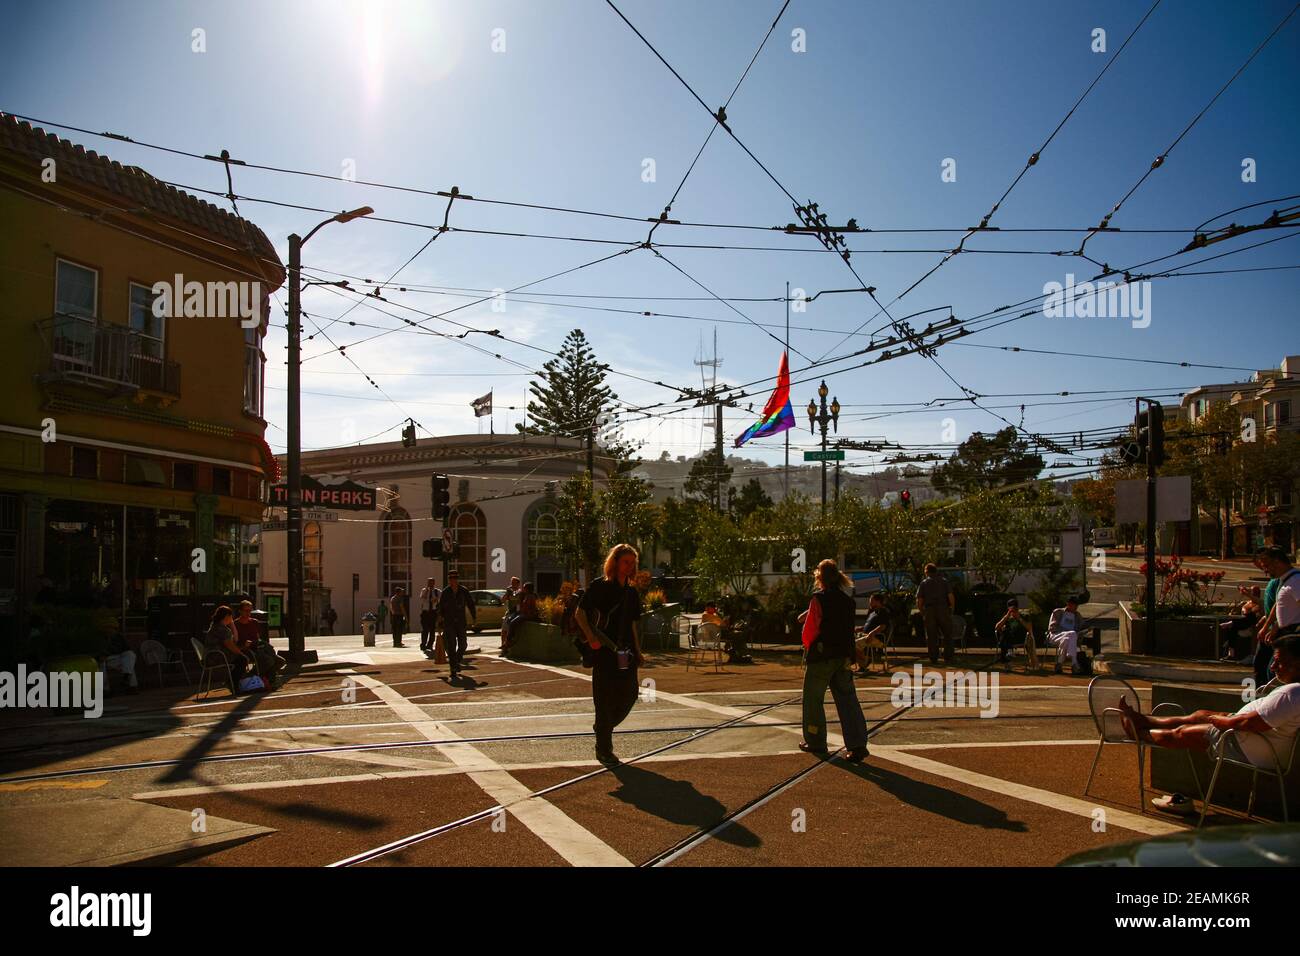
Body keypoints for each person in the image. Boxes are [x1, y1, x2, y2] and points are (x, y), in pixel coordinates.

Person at [1117, 634, 1300, 813]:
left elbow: (1250, 723)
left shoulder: (1291, 694)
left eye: (1279, 661)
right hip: (1258, 742)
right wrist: (1225, 718)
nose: (1273, 666)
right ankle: (1144, 720)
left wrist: (1224, 721)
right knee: (1200, 715)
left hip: (1248, 745)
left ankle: (1138, 733)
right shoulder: (1293, 692)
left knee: (1183, 733)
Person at [577, 544, 645, 765]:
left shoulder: (631, 592)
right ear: (615, 562)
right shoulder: (600, 586)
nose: (629, 567)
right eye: (626, 562)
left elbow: (633, 625)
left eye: (632, 563)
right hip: (605, 652)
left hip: (625, 652)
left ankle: (603, 727)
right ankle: (604, 748)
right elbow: (580, 613)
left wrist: (638, 650)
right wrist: (592, 638)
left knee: (630, 694)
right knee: (604, 700)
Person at [799, 559, 870, 761]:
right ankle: (857, 745)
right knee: (848, 701)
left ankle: (815, 739)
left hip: (821, 657)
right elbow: (848, 631)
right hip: (843, 657)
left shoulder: (818, 599)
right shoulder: (848, 601)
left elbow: (810, 630)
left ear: (819, 578)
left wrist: (808, 647)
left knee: (813, 700)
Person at [437, 570, 477, 678]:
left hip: (460, 621)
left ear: (457, 579)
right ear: (449, 579)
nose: (452, 580)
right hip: (449, 622)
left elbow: (470, 604)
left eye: (454, 578)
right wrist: (440, 620)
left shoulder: (464, 591)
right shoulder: (446, 592)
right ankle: (453, 668)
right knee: (451, 645)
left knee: (463, 644)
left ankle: (457, 661)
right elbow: (440, 607)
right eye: (451, 578)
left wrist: (474, 618)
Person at [203, 605, 252, 690]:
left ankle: (232, 682)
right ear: (227, 616)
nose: (232, 619)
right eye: (231, 616)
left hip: (211, 656)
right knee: (242, 659)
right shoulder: (222, 629)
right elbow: (231, 645)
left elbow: (233, 642)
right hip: (217, 657)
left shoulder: (215, 626)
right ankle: (233, 684)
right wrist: (241, 654)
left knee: (241, 657)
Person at [234, 600, 283, 684]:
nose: (248, 613)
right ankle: (250, 677)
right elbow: (234, 641)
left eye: (250, 611)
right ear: (240, 611)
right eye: (246, 611)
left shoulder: (254, 622)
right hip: (246, 649)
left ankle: (265, 679)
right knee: (268, 661)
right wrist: (244, 645)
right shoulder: (235, 624)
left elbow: (257, 638)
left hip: (257, 647)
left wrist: (256, 642)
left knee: (280, 661)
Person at [916, 563, 955, 665]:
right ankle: (948, 656)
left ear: (927, 572)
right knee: (947, 633)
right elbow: (950, 596)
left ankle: (933, 657)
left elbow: (920, 600)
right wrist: (951, 608)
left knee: (931, 635)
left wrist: (922, 611)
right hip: (943, 608)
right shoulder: (944, 581)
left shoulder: (923, 583)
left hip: (929, 610)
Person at [1219, 585, 1262, 661]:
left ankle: (1229, 623)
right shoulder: (1245, 603)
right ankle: (1231, 654)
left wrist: (1246, 593)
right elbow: (1233, 612)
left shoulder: (1260, 602)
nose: (1255, 593)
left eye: (1257, 592)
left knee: (1250, 616)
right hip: (1240, 624)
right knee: (1232, 628)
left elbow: (1255, 613)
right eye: (1253, 591)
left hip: (1251, 626)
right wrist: (1234, 610)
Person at [1047, 595, 1087, 675]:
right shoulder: (1058, 612)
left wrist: (1085, 630)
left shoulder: (1077, 616)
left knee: (1067, 639)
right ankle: (1074, 664)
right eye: (1074, 605)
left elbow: (1081, 628)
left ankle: (1059, 664)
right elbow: (1052, 628)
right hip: (1055, 635)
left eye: (1077, 605)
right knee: (1071, 634)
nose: (1076, 607)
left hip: (1069, 638)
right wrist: (1065, 631)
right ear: (1068, 604)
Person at [854, 592, 891, 674]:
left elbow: (883, 626)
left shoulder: (883, 611)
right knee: (847, 642)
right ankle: (862, 663)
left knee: (854, 645)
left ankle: (864, 662)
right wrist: (860, 629)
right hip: (867, 635)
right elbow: (868, 626)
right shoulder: (872, 613)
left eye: (871, 601)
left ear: (878, 601)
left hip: (877, 637)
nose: (870, 602)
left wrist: (871, 633)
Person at [993, 598, 1035, 670]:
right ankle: (1009, 654)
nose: (1013, 610)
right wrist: (1007, 616)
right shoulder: (1007, 617)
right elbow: (996, 627)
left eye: (1015, 608)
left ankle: (1006, 659)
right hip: (1008, 639)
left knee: (1004, 638)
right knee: (1005, 633)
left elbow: (1029, 628)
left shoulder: (1024, 616)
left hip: (1020, 638)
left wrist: (1019, 618)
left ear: (1017, 608)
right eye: (1011, 608)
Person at [419, 577, 442, 652]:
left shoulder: (437, 591)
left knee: (432, 630)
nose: (430, 584)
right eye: (429, 582)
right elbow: (423, 597)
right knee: (425, 630)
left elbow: (441, 599)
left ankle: (430, 645)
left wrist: (436, 599)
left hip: (433, 612)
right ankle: (423, 644)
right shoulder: (424, 590)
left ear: (434, 583)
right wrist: (427, 590)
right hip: (425, 612)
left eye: (432, 582)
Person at [500, 576, 522, 649]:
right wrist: (507, 593)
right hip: (509, 612)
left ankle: (507, 645)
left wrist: (512, 593)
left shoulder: (519, 592)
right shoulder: (509, 592)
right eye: (511, 583)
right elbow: (502, 600)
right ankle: (503, 645)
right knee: (503, 630)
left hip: (516, 613)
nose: (512, 584)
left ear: (518, 584)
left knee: (510, 630)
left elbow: (517, 600)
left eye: (514, 583)